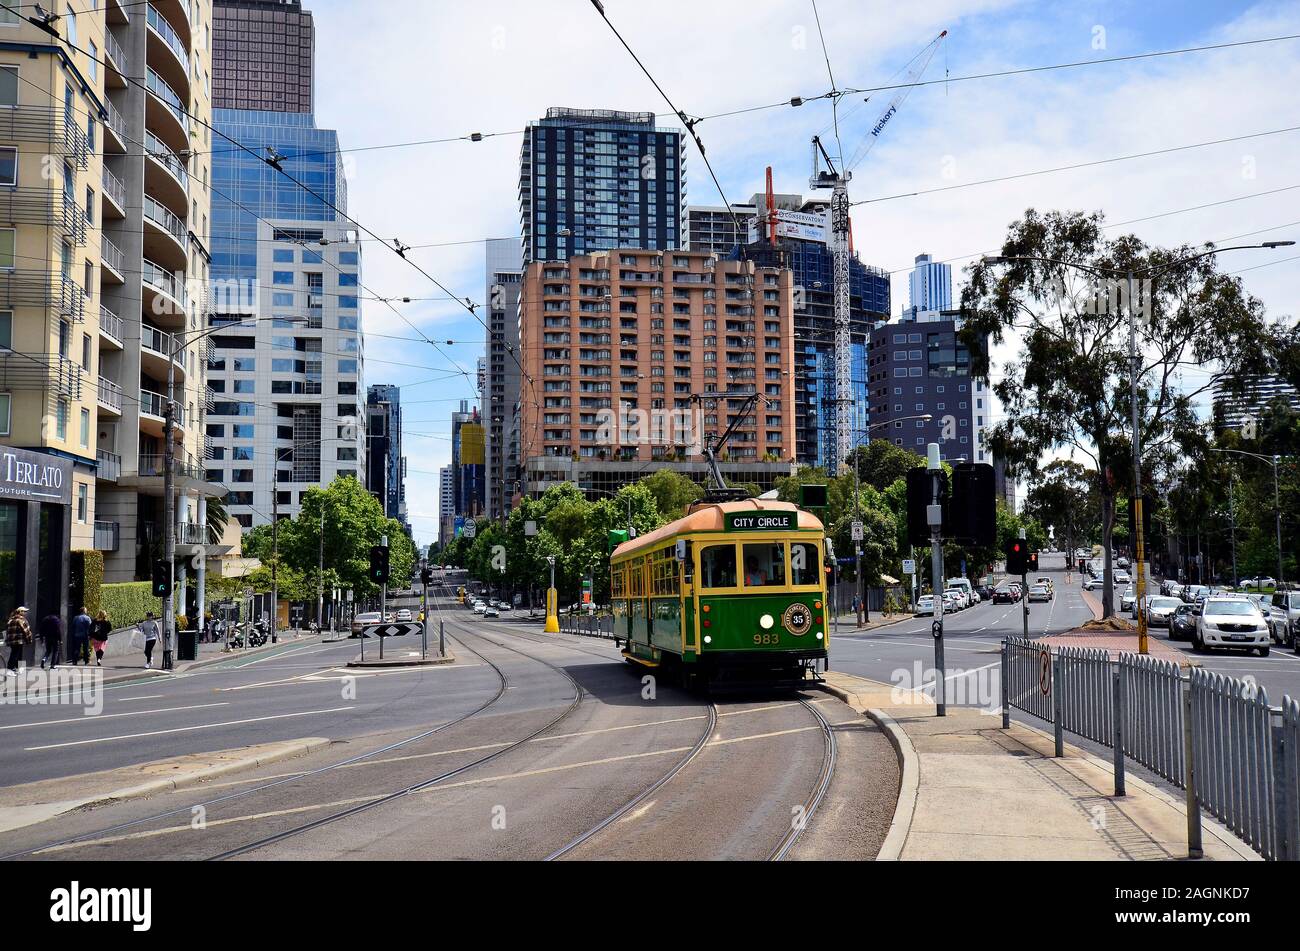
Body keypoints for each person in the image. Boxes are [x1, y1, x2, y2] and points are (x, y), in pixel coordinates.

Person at [5, 607, 32, 675]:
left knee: (15, 654)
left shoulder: (11, 619)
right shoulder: (21, 620)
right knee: (16, 654)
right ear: (20, 612)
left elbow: (7, 631)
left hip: (11, 640)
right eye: (24, 611)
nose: (25, 613)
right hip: (18, 640)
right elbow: (26, 631)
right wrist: (29, 640)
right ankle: (10, 669)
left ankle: (16, 668)